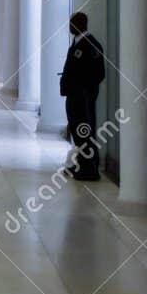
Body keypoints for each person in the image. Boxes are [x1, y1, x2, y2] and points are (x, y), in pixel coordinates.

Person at [60, 10, 105, 182]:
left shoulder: (91, 45)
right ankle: (81, 164)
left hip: (83, 99)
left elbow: (98, 73)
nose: (69, 27)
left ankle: (90, 169)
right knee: (78, 133)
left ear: (80, 25)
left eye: (72, 24)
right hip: (74, 96)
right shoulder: (77, 43)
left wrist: (84, 91)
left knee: (85, 131)